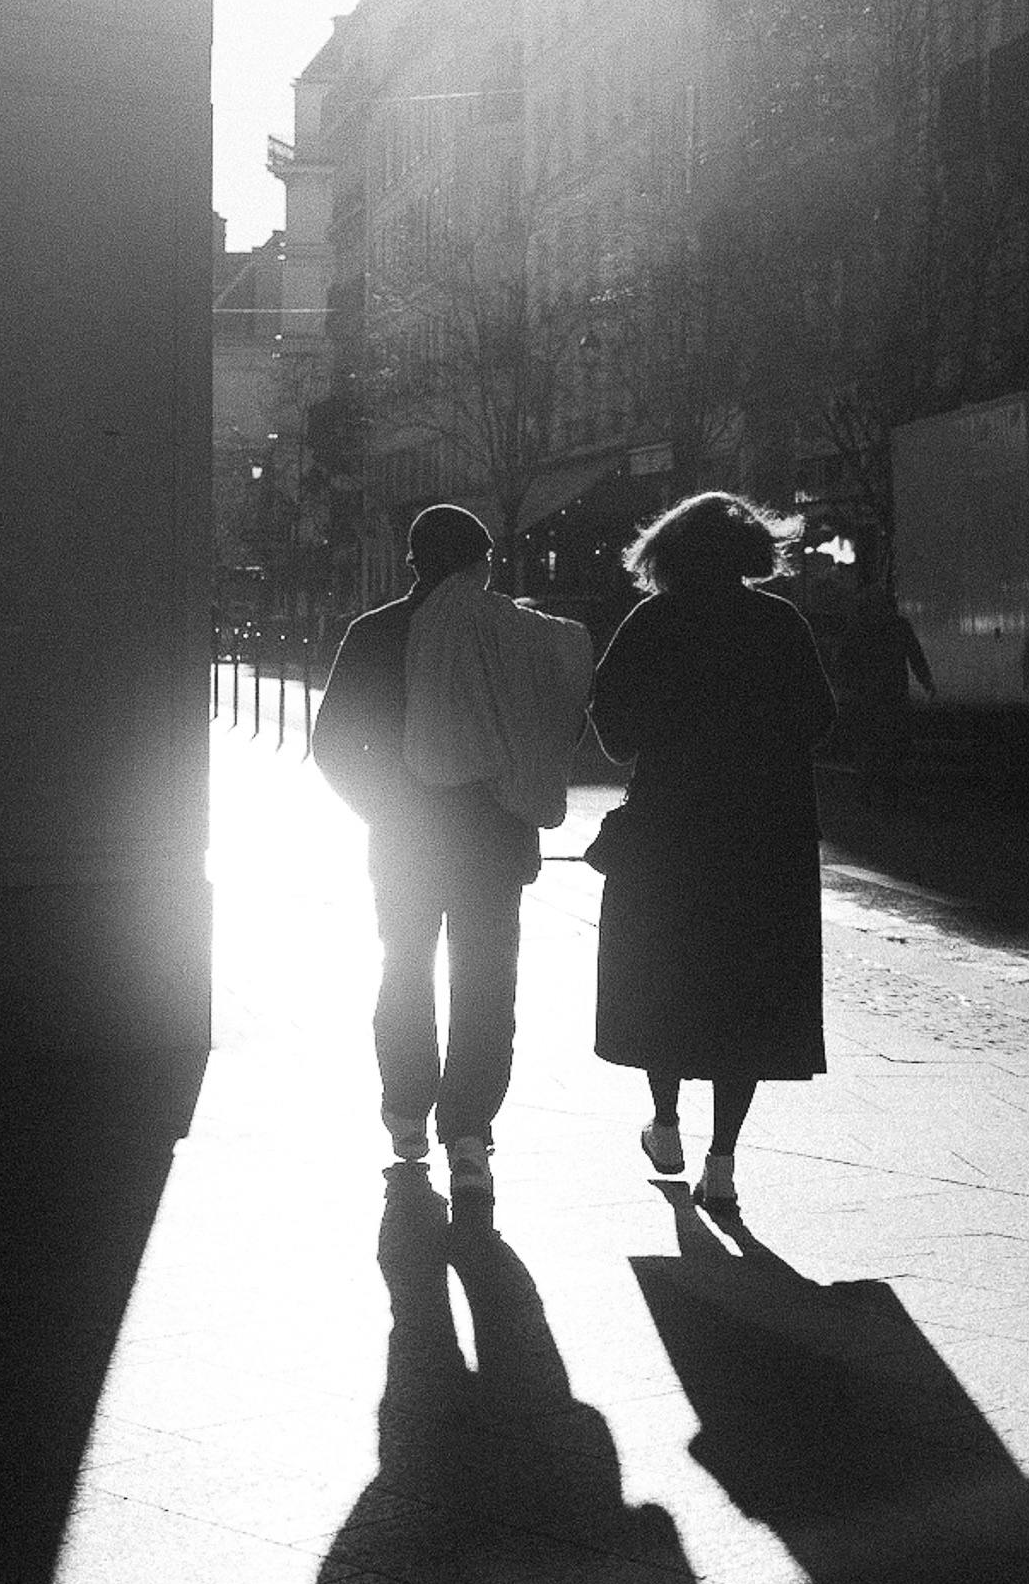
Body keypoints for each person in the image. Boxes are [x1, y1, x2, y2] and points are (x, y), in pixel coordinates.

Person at [313, 504, 592, 1211]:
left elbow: (333, 743)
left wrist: (386, 809)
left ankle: (407, 1111)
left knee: (404, 967)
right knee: (487, 982)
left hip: (405, 841)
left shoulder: (375, 632)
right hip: (495, 840)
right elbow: (555, 725)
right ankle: (469, 1132)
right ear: (480, 564)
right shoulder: (513, 631)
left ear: (413, 562)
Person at [588, 493, 835, 1215]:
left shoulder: (652, 621)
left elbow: (615, 733)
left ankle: (666, 1123)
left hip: (668, 833)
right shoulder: (779, 623)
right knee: (744, 996)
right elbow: (820, 719)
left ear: (668, 551)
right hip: (763, 838)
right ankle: (722, 1160)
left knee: (664, 979)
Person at [832, 564, 935, 809]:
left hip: (866, 698)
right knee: (892, 748)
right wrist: (926, 681)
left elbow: (843, 661)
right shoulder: (898, 626)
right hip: (893, 696)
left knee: (868, 748)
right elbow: (915, 656)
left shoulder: (859, 628)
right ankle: (889, 794)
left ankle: (866, 794)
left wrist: (845, 687)